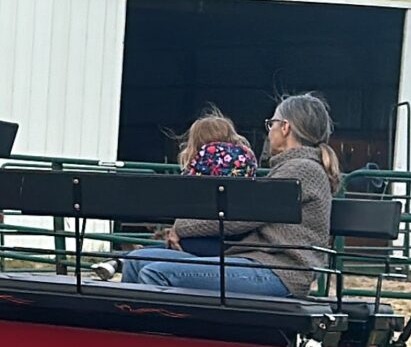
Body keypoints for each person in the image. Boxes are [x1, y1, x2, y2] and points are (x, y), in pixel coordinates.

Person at [113, 93, 340, 297]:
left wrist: (181, 228)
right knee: (136, 261)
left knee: (156, 273)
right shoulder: (293, 167)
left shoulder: (300, 169)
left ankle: (162, 342)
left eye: (272, 123)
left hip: (278, 272)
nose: (268, 130)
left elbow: (239, 218)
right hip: (253, 261)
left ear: (285, 128)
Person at [172, 110, 256, 259]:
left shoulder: (202, 159)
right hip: (240, 240)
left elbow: (186, 200)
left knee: (145, 255)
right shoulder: (247, 158)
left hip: (200, 240)